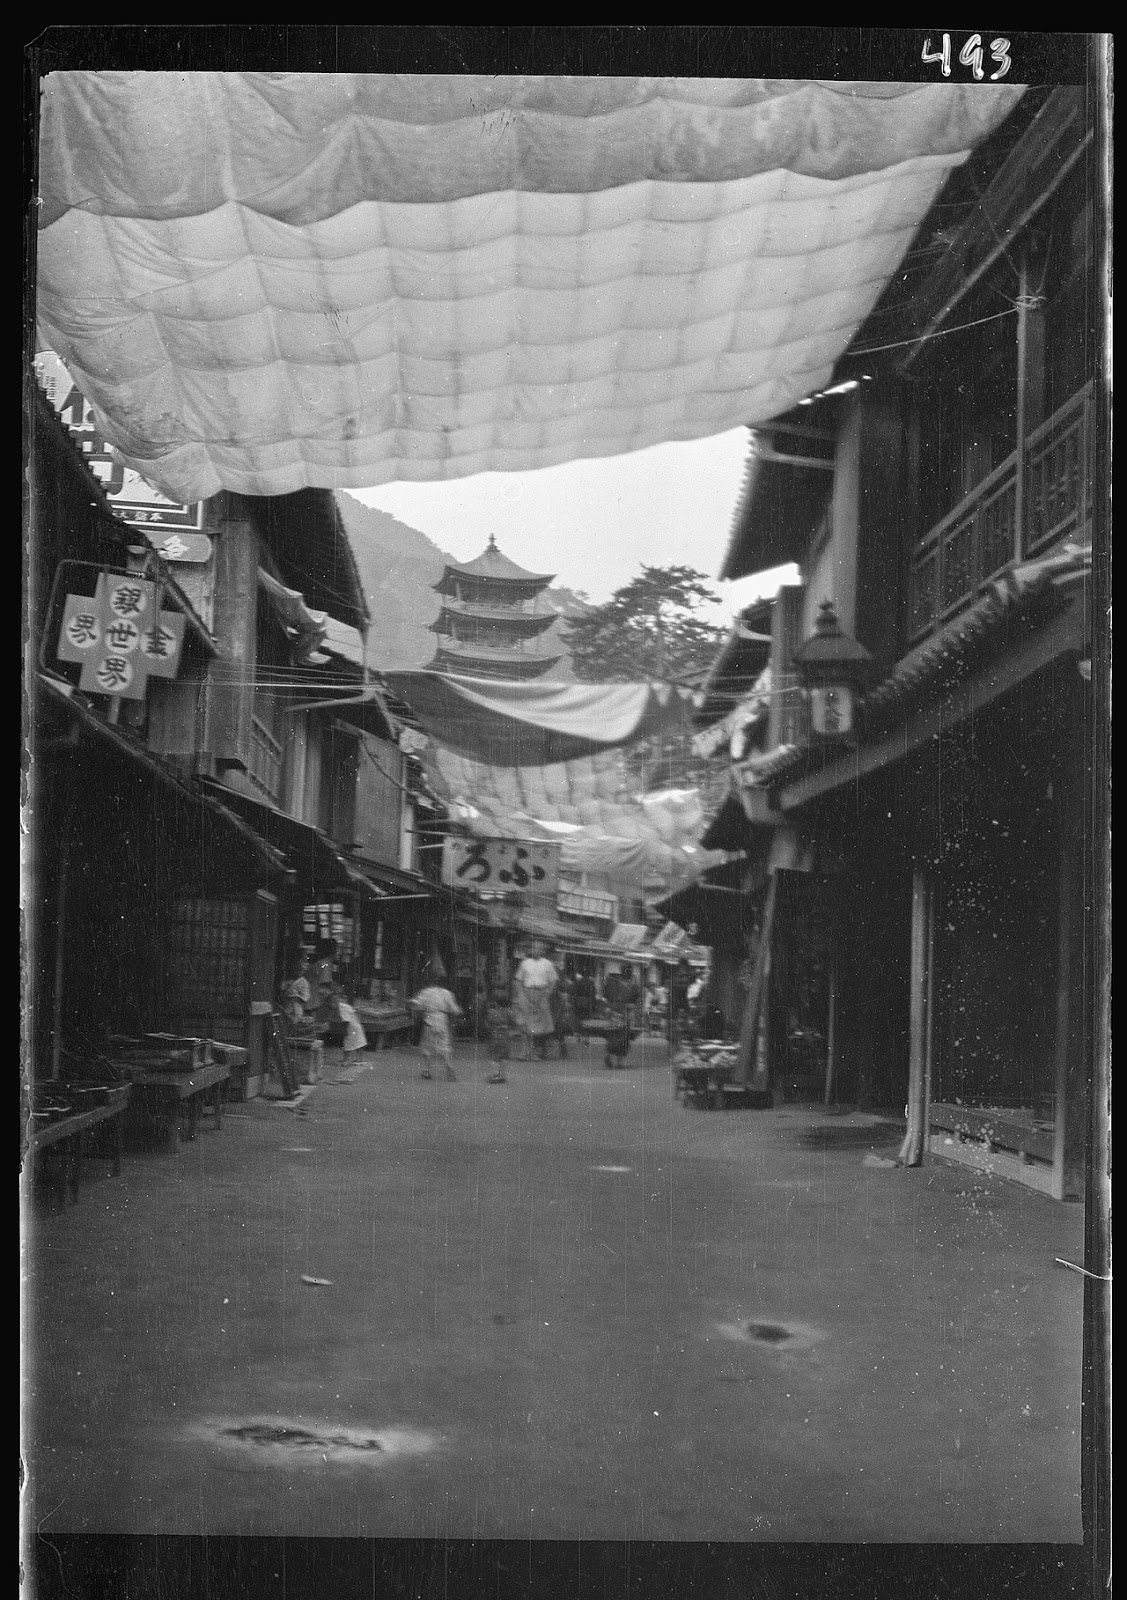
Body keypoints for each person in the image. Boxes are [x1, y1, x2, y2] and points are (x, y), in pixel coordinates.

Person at [512, 940, 558, 1061]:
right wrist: (520, 994)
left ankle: (535, 1052)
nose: (537, 950)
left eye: (540, 948)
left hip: (541, 994)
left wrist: (547, 994)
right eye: (535, 948)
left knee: (539, 1026)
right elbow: (518, 980)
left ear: (543, 951)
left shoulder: (548, 964)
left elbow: (553, 981)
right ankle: (524, 1052)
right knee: (524, 1024)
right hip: (526, 993)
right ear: (531, 950)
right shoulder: (525, 963)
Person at [409, 978, 462, 1081]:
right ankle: (449, 1067)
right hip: (442, 1021)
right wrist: (458, 1011)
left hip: (430, 1020)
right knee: (444, 1046)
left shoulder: (427, 992)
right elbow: (455, 1009)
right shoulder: (447, 993)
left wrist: (410, 1003)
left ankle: (427, 1070)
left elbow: (417, 1004)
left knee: (427, 1046)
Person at [601, 964, 640, 1070]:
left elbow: (606, 996)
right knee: (623, 1038)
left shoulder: (613, 981)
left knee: (614, 1035)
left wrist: (608, 1009)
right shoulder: (632, 985)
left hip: (614, 1013)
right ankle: (618, 1062)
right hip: (624, 1013)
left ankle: (610, 1056)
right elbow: (636, 1001)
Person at [482, 985, 512, 1084]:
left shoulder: (491, 1012)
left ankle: (495, 1075)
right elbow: (514, 1022)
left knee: (494, 1056)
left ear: (495, 1002)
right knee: (504, 1056)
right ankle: (503, 1075)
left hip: (495, 1035)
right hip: (506, 1036)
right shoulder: (509, 1012)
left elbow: (487, 1024)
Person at [550, 961, 575, 1061]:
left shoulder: (559, 979)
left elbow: (563, 989)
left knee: (556, 1028)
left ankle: (562, 1050)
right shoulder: (562, 978)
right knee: (557, 1029)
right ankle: (562, 1050)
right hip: (555, 1007)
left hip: (555, 1007)